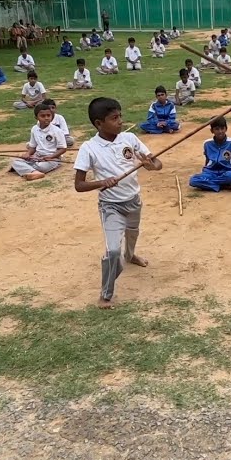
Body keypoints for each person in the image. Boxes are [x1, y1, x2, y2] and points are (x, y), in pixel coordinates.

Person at [73, 97, 161, 308]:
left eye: (120, 116)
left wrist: (150, 165)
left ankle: (130, 255)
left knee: (133, 233)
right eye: (114, 118)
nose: (120, 121)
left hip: (134, 201)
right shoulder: (89, 148)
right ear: (99, 123)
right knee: (113, 251)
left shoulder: (129, 138)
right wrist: (102, 182)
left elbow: (158, 163)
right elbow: (79, 185)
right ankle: (106, 295)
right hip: (111, 206)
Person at [188, 116, 231, 191]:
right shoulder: (207, 144)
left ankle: (210, 184)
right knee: (193, 180)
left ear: (226, 129)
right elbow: (207, 159)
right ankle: (222, 186)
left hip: (228, 171)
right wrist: (205, 172)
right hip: (211, 172)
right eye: (217, 129)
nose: (220, 131)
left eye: (222, 128)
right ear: (212, 131)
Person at [11, 103, 71, 181]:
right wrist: (28, 154)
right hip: (37, 156)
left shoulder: (57, 131)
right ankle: (35, 172)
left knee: (42, 166)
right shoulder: (34, 129)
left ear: (52, 116)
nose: (46, 118)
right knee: (15, 161)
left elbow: (63, 149)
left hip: (52, 159)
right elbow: (33, 146)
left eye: (48, 115)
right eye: (43, 116)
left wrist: (51, 156)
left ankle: (29, 170)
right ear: (36, 117)